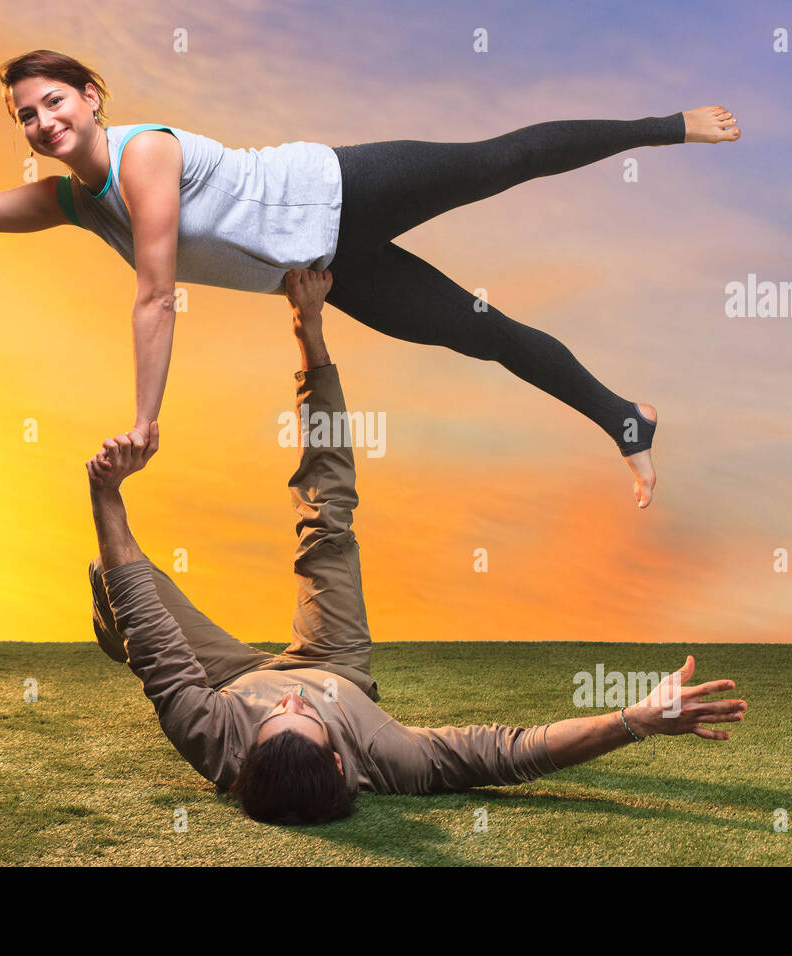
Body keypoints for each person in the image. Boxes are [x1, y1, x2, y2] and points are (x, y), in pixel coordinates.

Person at [0, 48, 742, 507]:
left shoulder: (140, 161)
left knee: (496, 159)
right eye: (27, 117)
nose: (43, 122)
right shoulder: (66, 201)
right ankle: (627, 420)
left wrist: (144, 420)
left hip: (344, 185)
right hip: (325, 263)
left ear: (92, 99)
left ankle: (672, 123)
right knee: (475, 330)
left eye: (54, 102)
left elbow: (152, 292)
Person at [84, 267, 747, 826]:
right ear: (343, 763)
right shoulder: (389, 759)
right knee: (328, 525)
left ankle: (308, 336)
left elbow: (152, 625)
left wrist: (108, 492)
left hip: (227, 678)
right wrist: (634, 719)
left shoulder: (211, 735)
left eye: (273, 720)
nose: (289, 702)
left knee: (115, 581)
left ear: (244, 753)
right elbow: (509, 754)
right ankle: (312, 339)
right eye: (302, 716)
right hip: (335, 663)